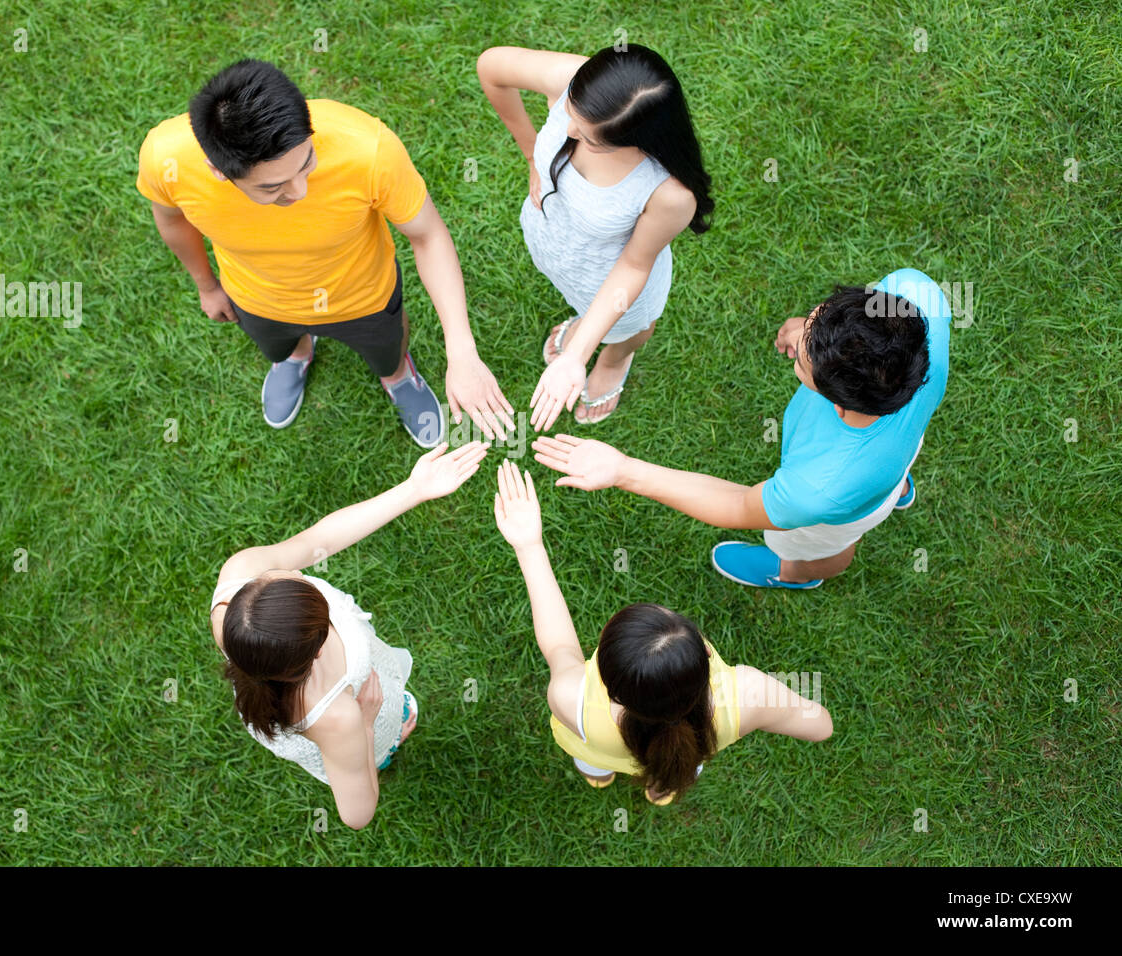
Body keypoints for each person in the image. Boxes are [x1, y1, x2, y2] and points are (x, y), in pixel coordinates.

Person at [138, 59, 514, 447]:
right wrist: (207, 286)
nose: (299, 191)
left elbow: (429, 236)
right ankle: (296, 355)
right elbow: (171, 220)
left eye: (307, 163)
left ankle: (398, 376)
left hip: (365, 299)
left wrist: (463, 350)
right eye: (273, 187)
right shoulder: (166, 159)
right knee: (279, 346)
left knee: (387, 354)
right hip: (257, 301)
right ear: (217, 170)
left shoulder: (369, 149)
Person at [532, 268, 951, 588]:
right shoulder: (915, 298)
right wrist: (812, 330)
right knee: (891, 473)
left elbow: (738, 506)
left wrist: (623, 469)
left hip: (843, 508)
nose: (797, 338)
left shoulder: (816, 490)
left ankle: (794, 571)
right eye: (818, 316)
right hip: (900, 447)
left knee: (830, 545)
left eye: (800, 363)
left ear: (838, 401)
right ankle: (896, 486)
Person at [492, 461, 832, 804]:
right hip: (685, 758)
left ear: (608, 685)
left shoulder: (569, 697)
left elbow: (559, 646)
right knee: (675, 771)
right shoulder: (750, 693)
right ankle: (661, 791)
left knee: (591, 760)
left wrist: (530, 547)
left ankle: (599, 776)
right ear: (707, 655)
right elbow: (821, 726)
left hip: (596, 746)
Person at [209, 439, 490, 829]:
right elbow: (358, 814)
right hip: (358, 719)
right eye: (293, 578)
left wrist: (414, 489)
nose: (294, 569)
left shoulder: (240, 583)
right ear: (319, 650)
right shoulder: (337, 717)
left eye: (286, 576)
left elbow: (313, 542)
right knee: (379, 736)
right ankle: (390, 747)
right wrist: (368, 724)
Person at [477, 43, 714, 429]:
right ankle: (586, 329)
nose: (567, 130)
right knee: (582, 308)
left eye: (589, 140)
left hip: (611, 283)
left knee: (629, 330)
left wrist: (576, 358)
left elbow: (635, 265)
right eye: (570, 112)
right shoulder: (575, 81)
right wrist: (530, 150)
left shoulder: (670, 193)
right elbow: (491, 68)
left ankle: (614, 359)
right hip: (554, 245)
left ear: (639, 140)